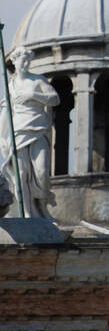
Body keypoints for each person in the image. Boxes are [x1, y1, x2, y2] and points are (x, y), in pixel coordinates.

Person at [0, 47, 59, 218]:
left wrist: (33, 94)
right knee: (21, 175)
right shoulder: (10, 85)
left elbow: (55, 99)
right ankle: (26, 213)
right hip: (18, 132)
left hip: (38, 130)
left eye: (28, 60)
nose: (25, 63)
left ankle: (42, 207)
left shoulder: (38, 81)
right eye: (22, 60)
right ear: (14, 61)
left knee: (41, 172)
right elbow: (6, 112)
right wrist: (1, 137)